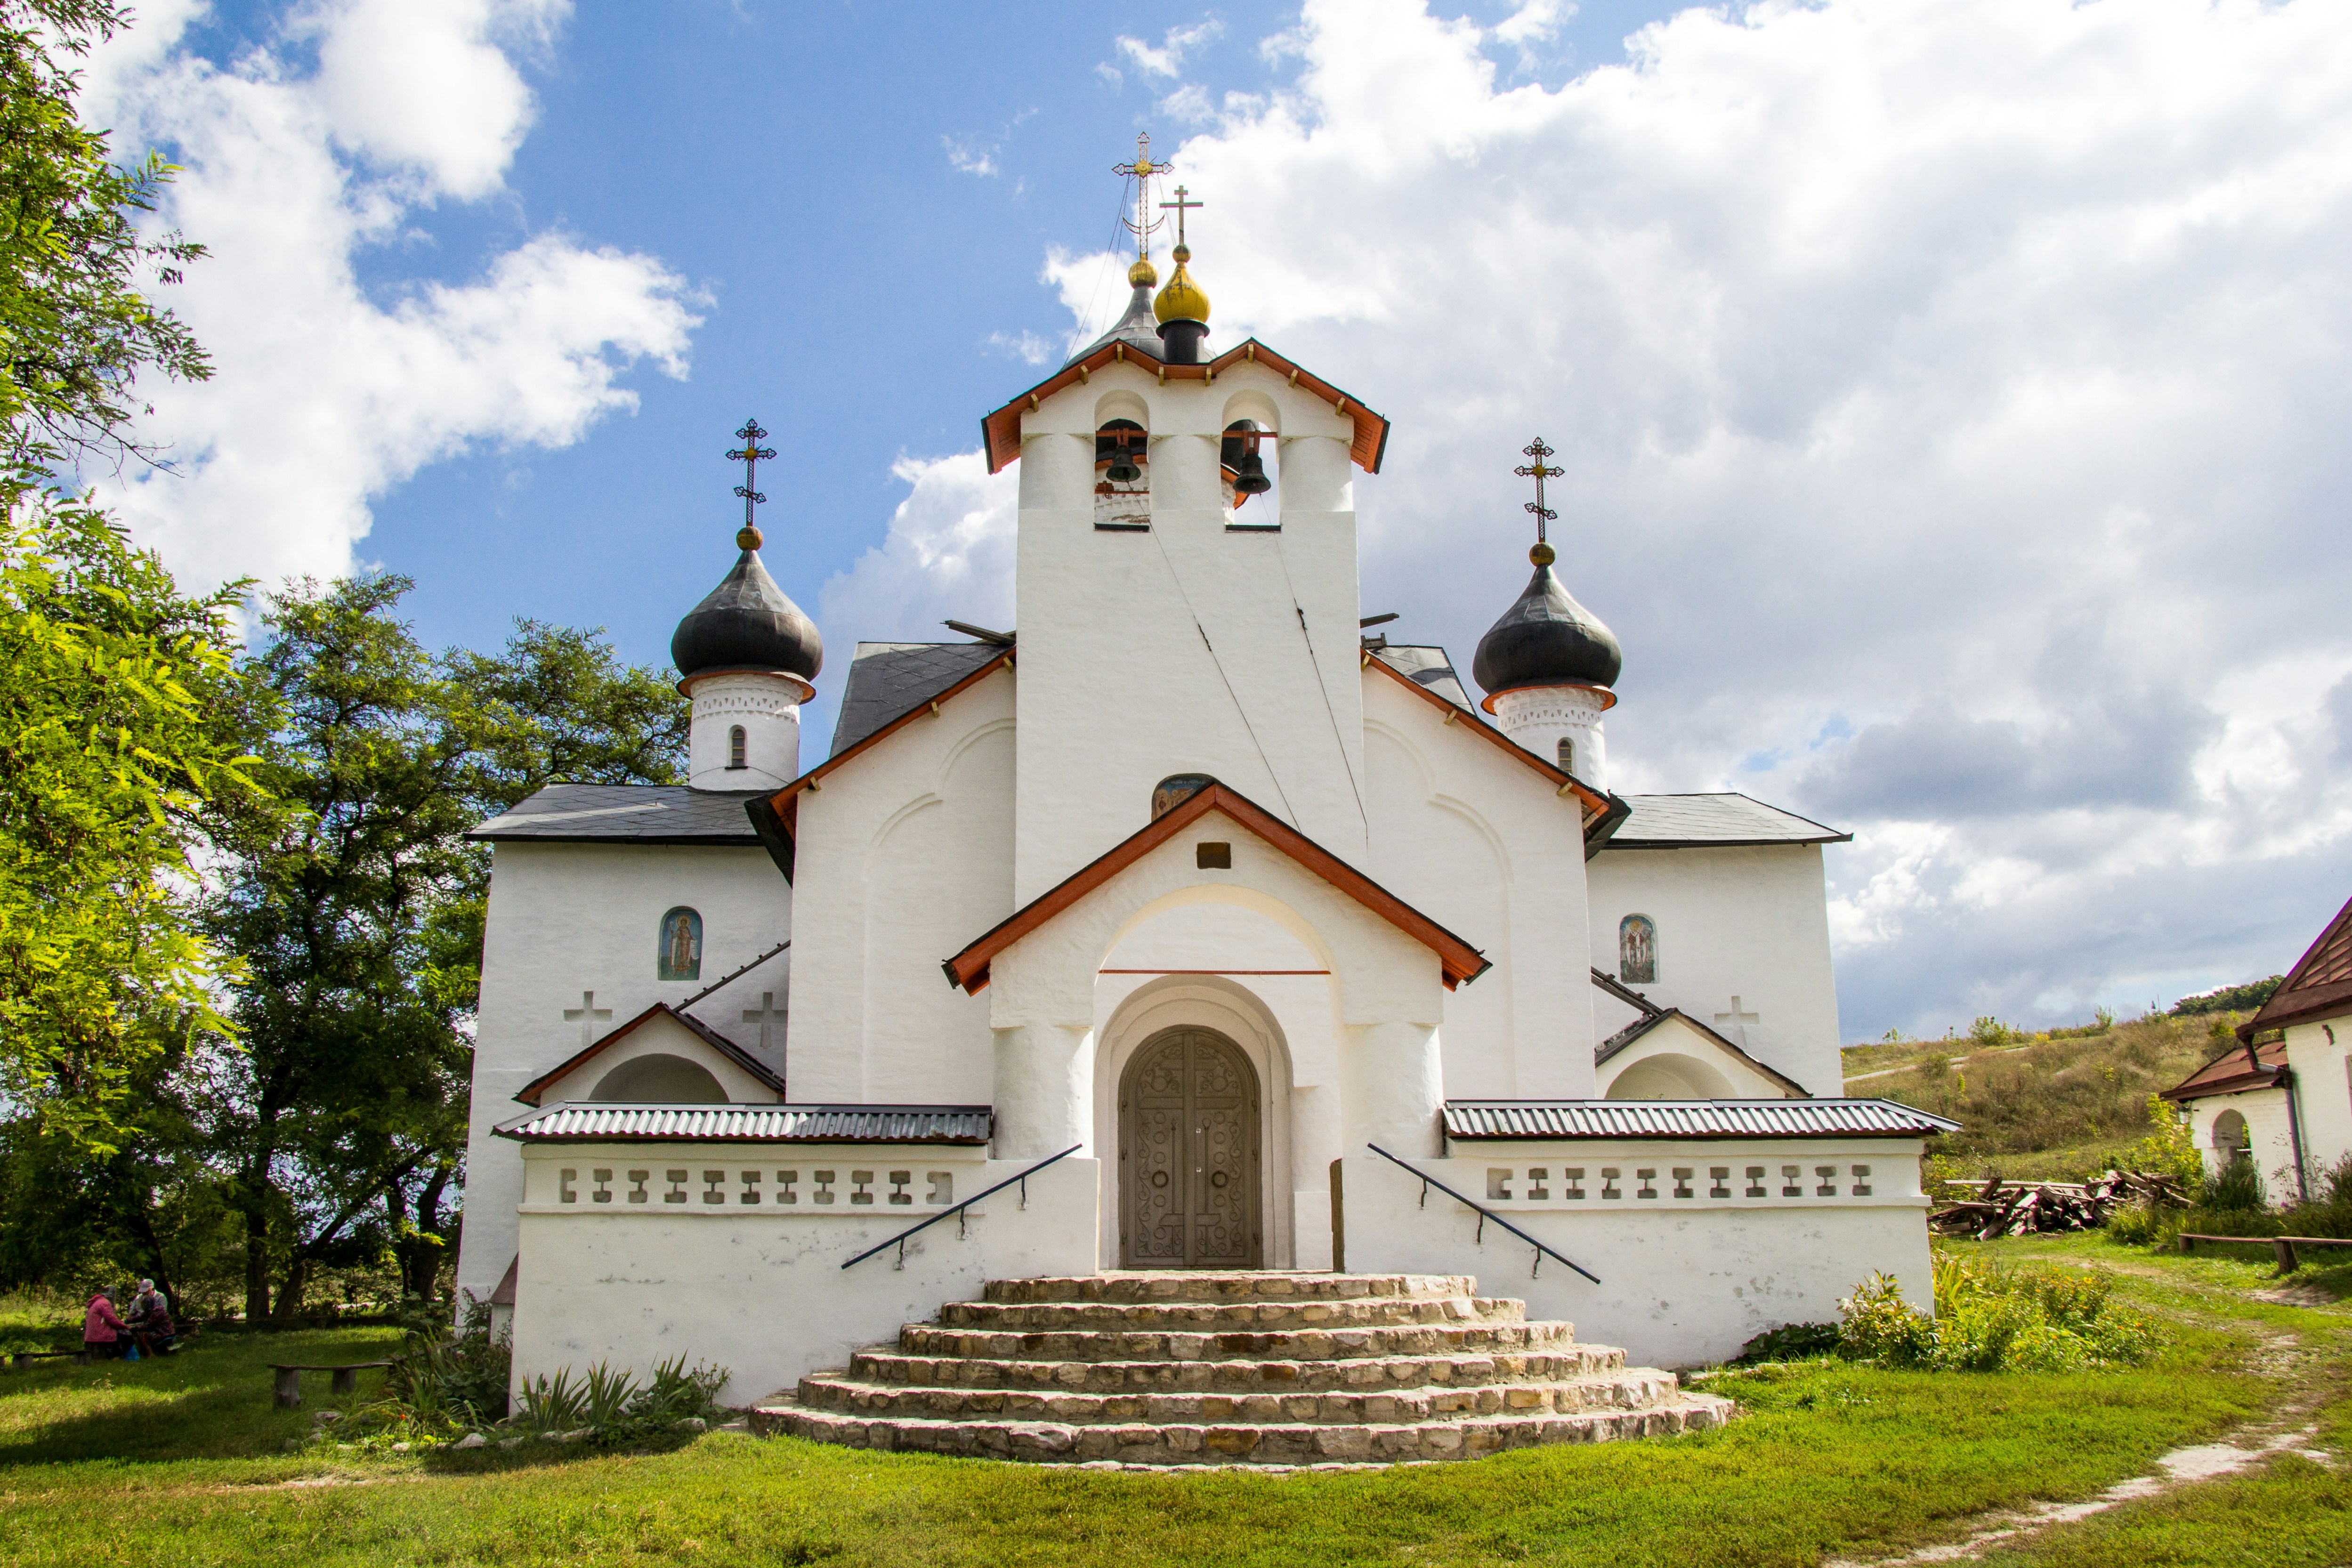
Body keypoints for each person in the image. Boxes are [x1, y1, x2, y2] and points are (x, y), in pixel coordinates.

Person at [128, 1280, 175, 1357]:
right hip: (147, 1323)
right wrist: (127, 1321)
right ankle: (142, 1352)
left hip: (159, 1328)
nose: (143, 1294)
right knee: (139, 1330)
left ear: (152, 1289)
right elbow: (136, 1315)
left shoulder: (160, 1300)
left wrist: (133, 1328)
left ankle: (150, 1354)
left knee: (143, 1333)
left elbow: (151, 1323)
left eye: (145, 1291)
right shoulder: (139, 1298)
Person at [83, 1290, 129, 1359]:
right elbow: (112, 1320)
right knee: (123, 1335)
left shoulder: (96, 1302)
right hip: (100, 1335)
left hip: (91, 1335)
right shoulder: (104, 1303)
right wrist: (125, 1326)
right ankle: (117, 1357)